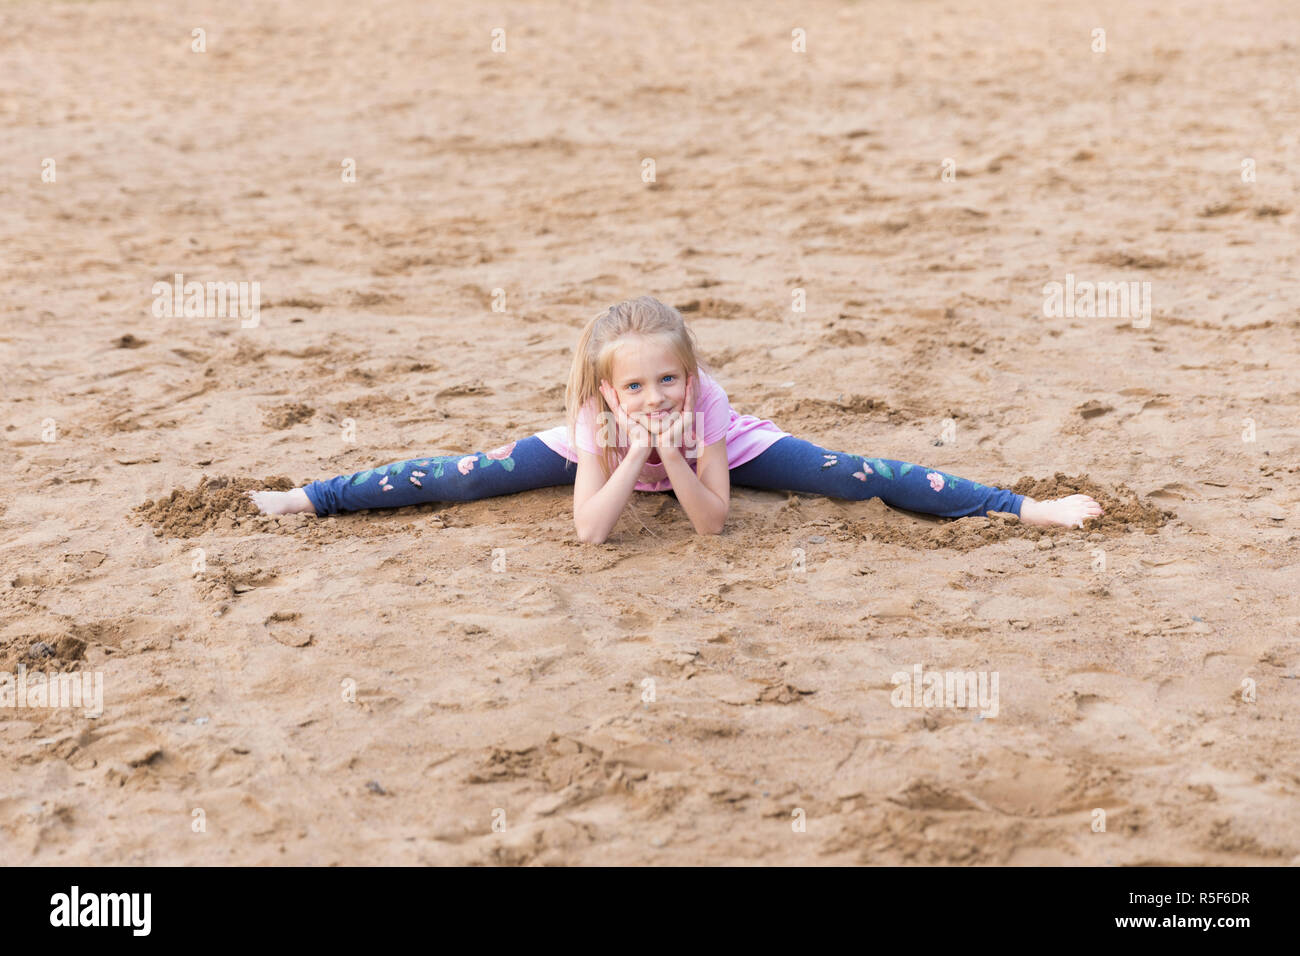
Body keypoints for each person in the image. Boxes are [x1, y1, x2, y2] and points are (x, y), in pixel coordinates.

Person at [249, 296, 1103, 543]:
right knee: (464, 476)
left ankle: (1021, 507)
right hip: (610, 456)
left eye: (669, 380)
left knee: (858, 475)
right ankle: (313, 498)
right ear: (607, 391)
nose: (654, 395)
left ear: (688, 378)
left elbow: (711, 525)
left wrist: (682, 448)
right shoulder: (598, 414)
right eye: (637, 386)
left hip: (720, 454)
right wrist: (631, 453)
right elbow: (591, 534)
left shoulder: (706, 408)